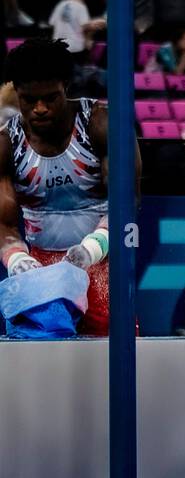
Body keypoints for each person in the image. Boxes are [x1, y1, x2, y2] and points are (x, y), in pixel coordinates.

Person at [0, 38, 140, 336]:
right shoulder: (6, 143)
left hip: (101, 255)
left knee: (115, 338)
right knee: (41, 350)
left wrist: (92, 249)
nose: (39, 109)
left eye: (50, 98)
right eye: (29, 99)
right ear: (17, 95)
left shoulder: (100, 126)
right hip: (39, 263)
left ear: (66, 87)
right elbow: (4, 222)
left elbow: (128, 202)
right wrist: (16, 258)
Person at [48, 0, 106, 67]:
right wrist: (98, 24)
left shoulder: (61, 4)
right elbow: (85, 27)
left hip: (58, 47)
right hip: (74, 49)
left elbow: (51, 22)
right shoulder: (80, 6)